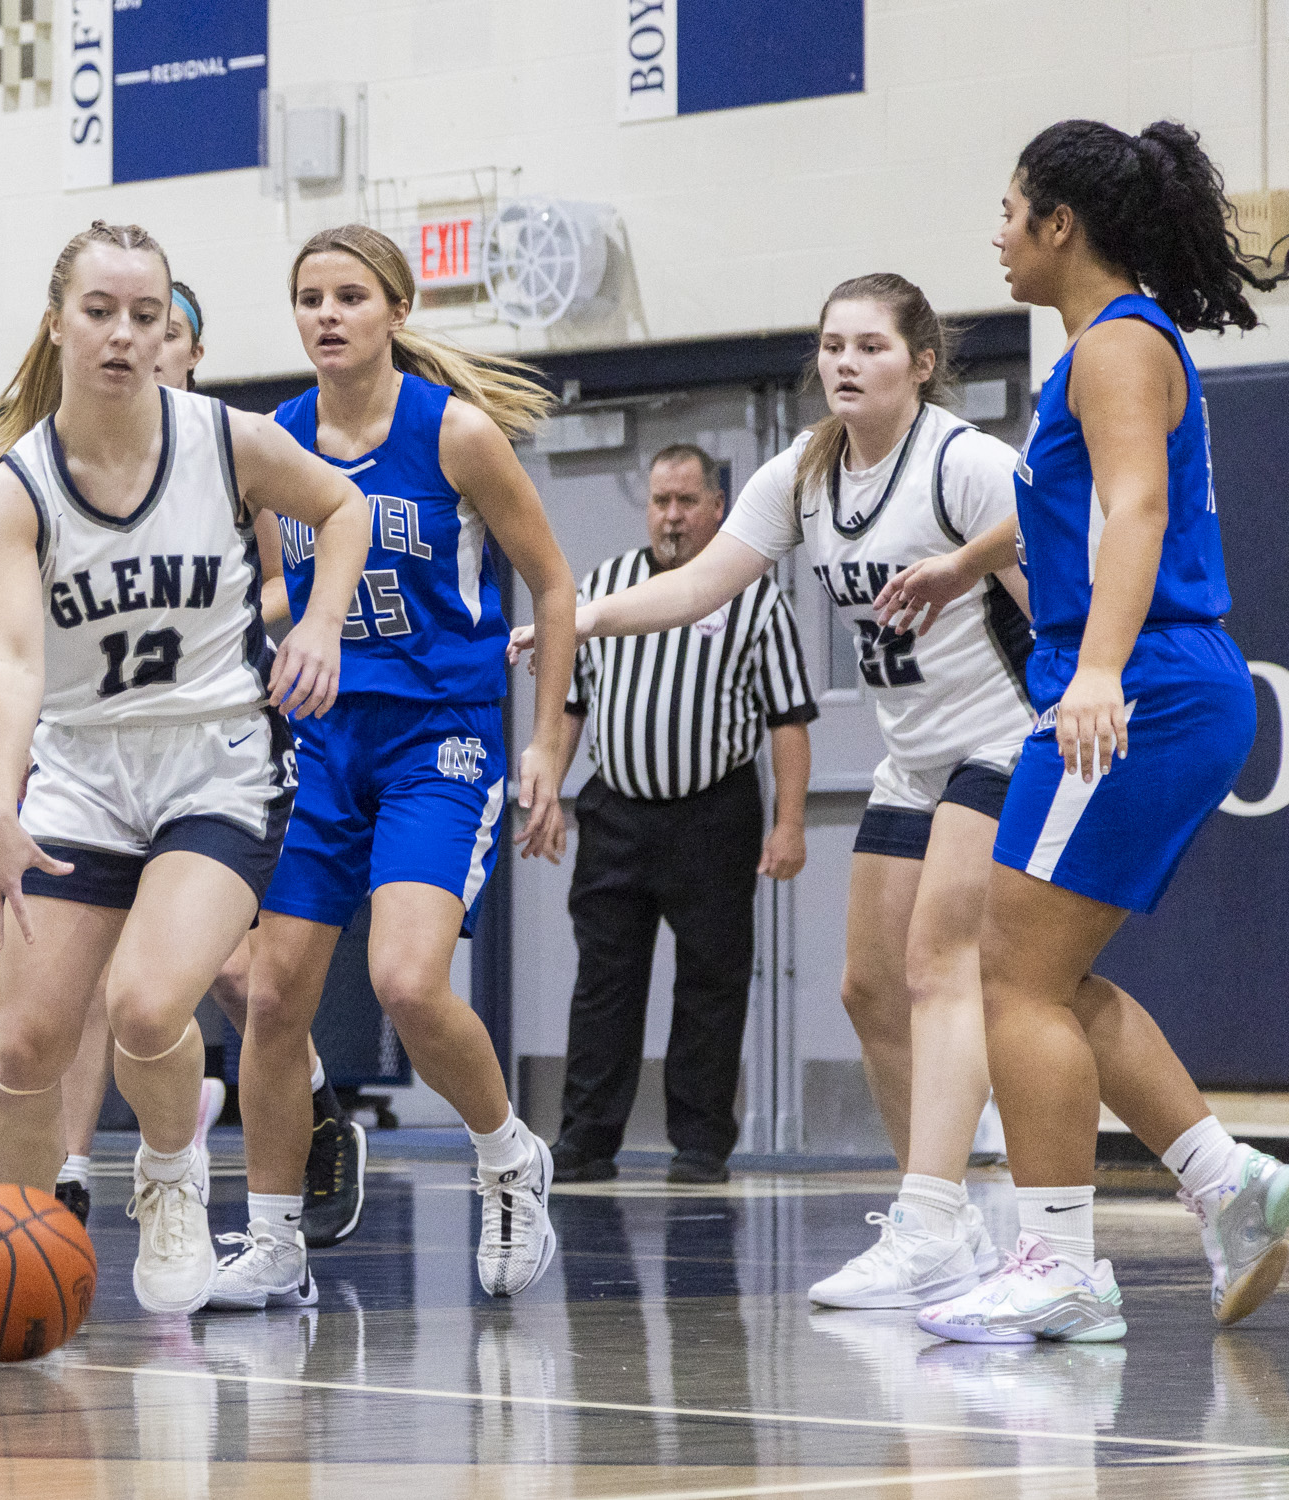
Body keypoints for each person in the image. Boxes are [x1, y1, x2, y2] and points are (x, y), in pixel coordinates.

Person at [514, 273, 1037, 1308]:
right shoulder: (803, 472)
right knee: (865, 987)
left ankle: (936, 1217)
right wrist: (578, 619)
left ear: (920, 363)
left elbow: (1052, 554)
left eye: (870, 347)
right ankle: (936, 1219)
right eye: (831, 345)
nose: (844, 362)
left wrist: (1078, 687)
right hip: (912, 754)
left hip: (1002, 739)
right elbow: (698, 583)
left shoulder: (965, 462)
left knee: (941, 970)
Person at [889, 120, 1289, 1342]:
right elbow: (1068, 505)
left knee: (1008, 974)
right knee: (1046, 976)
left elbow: (1133, 506)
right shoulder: (1103, 348)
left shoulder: (1113, 348)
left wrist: (1098, 668)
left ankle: (1059, 1262)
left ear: (1059, 225)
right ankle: (1240, 1189)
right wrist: (966, 565)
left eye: (1009, 209)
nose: (995, 232)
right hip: (1167, 677)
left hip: (1143, 680)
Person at [0, 221, 370, 1316]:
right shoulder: (13, 490)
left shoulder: (223, 441)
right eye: (100, 311)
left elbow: (343, 508)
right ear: (57, 323)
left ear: (169, 331)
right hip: (81, 771)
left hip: (215, 763)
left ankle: (171, 1175)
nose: (124, 334)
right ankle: (17, 1247)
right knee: (24, 1044)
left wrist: (320, 625)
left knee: (145, 1006)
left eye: (147, 315)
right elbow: (8, 661)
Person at [209, 224, 579, 1311]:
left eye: (349, 297)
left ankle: (508, 1156)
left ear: (396, 311)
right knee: (273, 999)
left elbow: (551, 588)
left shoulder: (453, 434)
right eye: (308, 298)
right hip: (321, 739)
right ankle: (274, 1235)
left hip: (439, 737)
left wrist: (547, 740)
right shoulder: (274, 439)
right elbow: (278, 598)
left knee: (406, 981)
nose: (326, 315)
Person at [548, 442, 817, 1188]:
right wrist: (546, 791)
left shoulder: (757, 597)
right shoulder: (606, 585)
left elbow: (788, 720)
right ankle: (585, 1139)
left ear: (717, 507)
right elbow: (571, 704)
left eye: (686, 501)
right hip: (616, 813)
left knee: (712, 981)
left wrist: (789, 824)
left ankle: (700, 1143)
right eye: (661, 501)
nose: (671, 516)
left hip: (713, 814)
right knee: (604, 980)